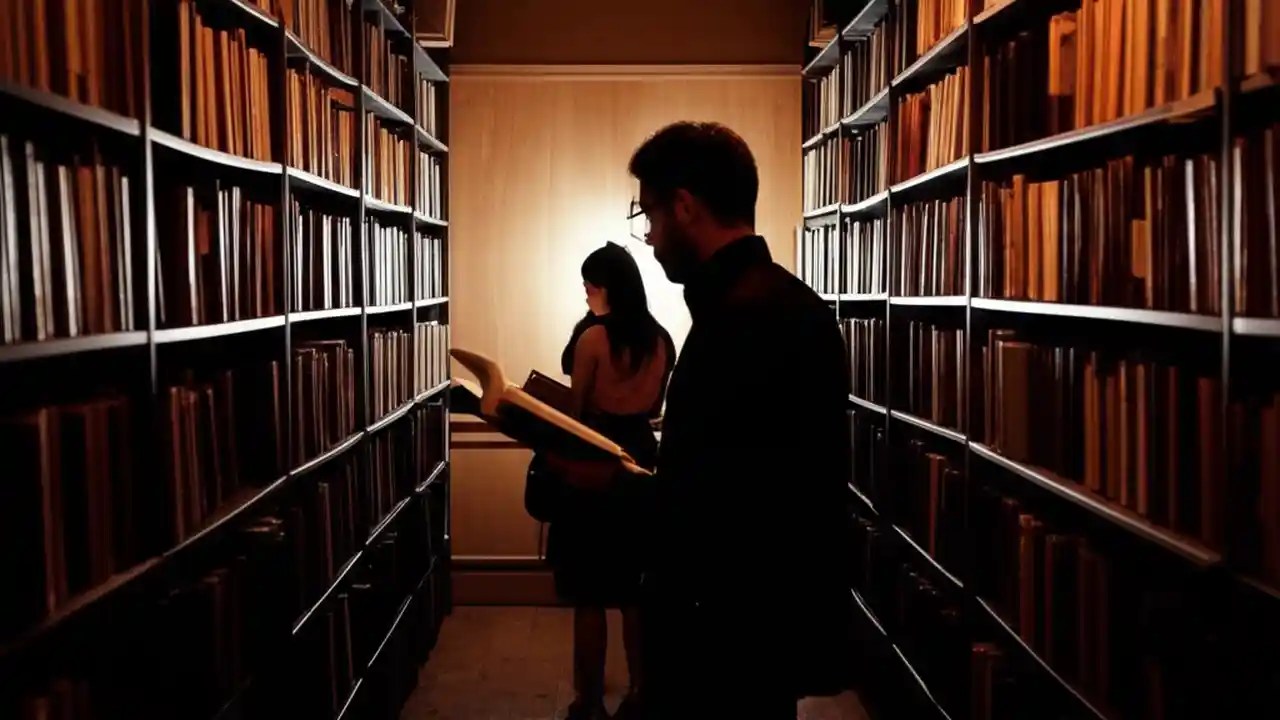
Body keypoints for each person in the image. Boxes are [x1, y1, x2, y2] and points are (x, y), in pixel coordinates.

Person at [550, 122, 855, 719]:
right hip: (754, 626)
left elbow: (726, 507)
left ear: (685, 206)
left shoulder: (745, 320)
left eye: (652, 218)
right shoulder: (778, 303)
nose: (652, 238)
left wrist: (614, 484)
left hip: (728, 633)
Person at [535, 242, 675, 720]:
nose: (586, 293)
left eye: (589, 285)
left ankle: (590, 701)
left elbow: (575, 415)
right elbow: (655, 411)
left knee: (589, 594)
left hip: (592, 464)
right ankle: (641, 694)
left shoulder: (592, 339)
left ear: (606, 287)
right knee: (636, 595)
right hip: (640, 463)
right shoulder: (662, 340)